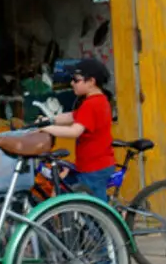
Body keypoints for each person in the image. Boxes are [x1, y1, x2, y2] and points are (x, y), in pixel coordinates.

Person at [38, 58, 115, 202]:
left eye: (76, 80)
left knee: (95, 211)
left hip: (94, 169)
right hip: (92, 165)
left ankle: (108, 223)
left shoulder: (92, 104)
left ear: (91, 81)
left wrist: (47, 128)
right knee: (67, 189)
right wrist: (50, 119)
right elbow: (72, 116)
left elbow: (74, 131)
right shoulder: (97, 100)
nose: (72, 83)